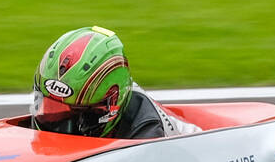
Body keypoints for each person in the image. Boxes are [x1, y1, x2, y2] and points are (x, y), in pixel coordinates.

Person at [30, 26, 194, 139]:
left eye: (84, 117)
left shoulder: (148, 135)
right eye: (50, 109)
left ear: (110, 108)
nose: (61, 128)